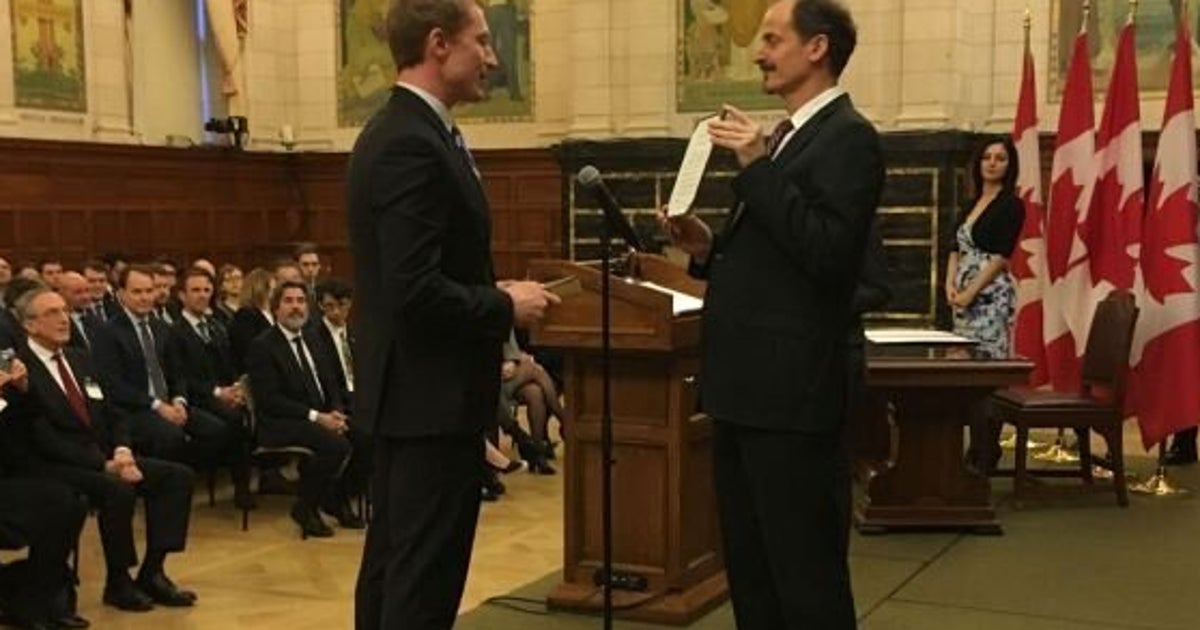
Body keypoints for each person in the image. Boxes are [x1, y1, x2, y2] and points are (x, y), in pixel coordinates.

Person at [659, 1, 882, 627]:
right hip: (745, 393)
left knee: (805, 581)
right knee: (754, 577)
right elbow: (776, 257)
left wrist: (756, 167)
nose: (757, 51)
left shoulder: (848, 138)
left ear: (817, 48)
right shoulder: (788, 139)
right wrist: (708, 249)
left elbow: (829, 255)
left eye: (772, 38)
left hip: (793, 399)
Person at [347, 1, 557, 627]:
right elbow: (412, 290)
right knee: (420, 579)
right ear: (439, 44)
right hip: (427, 401)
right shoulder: (409, 142)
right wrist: (503, 303)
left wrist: (491, 287)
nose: (493, 58)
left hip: (424, 396)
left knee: (400, 565)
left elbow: (422, 271)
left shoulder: (418, 132)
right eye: (483, 41)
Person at [944, 136, 1024, 359]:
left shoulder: (1012, 205)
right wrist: (949, 284)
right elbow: (954, 247)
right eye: (986, 158)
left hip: (989, 296)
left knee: (984, 361)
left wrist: (971, 292)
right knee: (959, 359)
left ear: (1010, 166)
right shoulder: (971, 203)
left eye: (1000, 158)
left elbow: (1001, 257)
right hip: (961, 298)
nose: (991, 163)